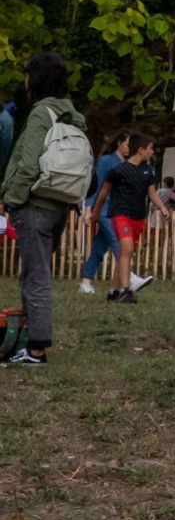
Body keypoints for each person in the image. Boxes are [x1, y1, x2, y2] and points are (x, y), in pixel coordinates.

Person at [2, 53, 86, 365]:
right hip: (60, 204)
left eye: (27, 76)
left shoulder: (41, 113)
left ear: (35, 79)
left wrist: (12, 197)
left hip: (34, 203)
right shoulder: (73, 114)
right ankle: (26, 338)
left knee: (35, 276)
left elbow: (28, 163)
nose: (24, 82)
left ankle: (36, 348)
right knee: (34, 272)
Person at [91, 132, 171, 303]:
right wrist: (96, 212)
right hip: (120, 215)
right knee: (126, 249)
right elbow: (104, 191)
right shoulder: (118, 170)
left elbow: (152, 193)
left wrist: (162, 207)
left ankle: (113, 290)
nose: (152, 152)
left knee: (126, 254)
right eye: (150, 149)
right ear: (141, 150)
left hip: (138, 216)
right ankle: (126, 291)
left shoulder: (148, 170)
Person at [78, 131, 127, 296]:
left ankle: (85, 281)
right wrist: (88, 208)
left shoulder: (129, 163)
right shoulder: (106, 161)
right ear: (119, 142)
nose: (129, 148)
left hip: (119, 209)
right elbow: (96, 185)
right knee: (118, 243)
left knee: (100, 247)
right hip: (105, 208)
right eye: (127, 144)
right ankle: (128, 278)